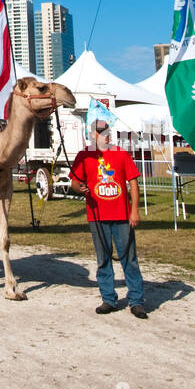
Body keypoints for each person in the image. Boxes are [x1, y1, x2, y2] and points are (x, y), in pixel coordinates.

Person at [70, 117, 148, 319]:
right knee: (103, 259)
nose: (107, 135)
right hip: (97, 217)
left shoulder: (121, 155)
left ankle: (136, 300)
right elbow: (74, 183)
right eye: (102, 131)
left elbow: (133, 184)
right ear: (93, 134)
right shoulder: (84, 156)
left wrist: (135, 211)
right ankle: (108, 299)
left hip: (122, 216)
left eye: (107, 131)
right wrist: (81, 188)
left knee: (129, 258)